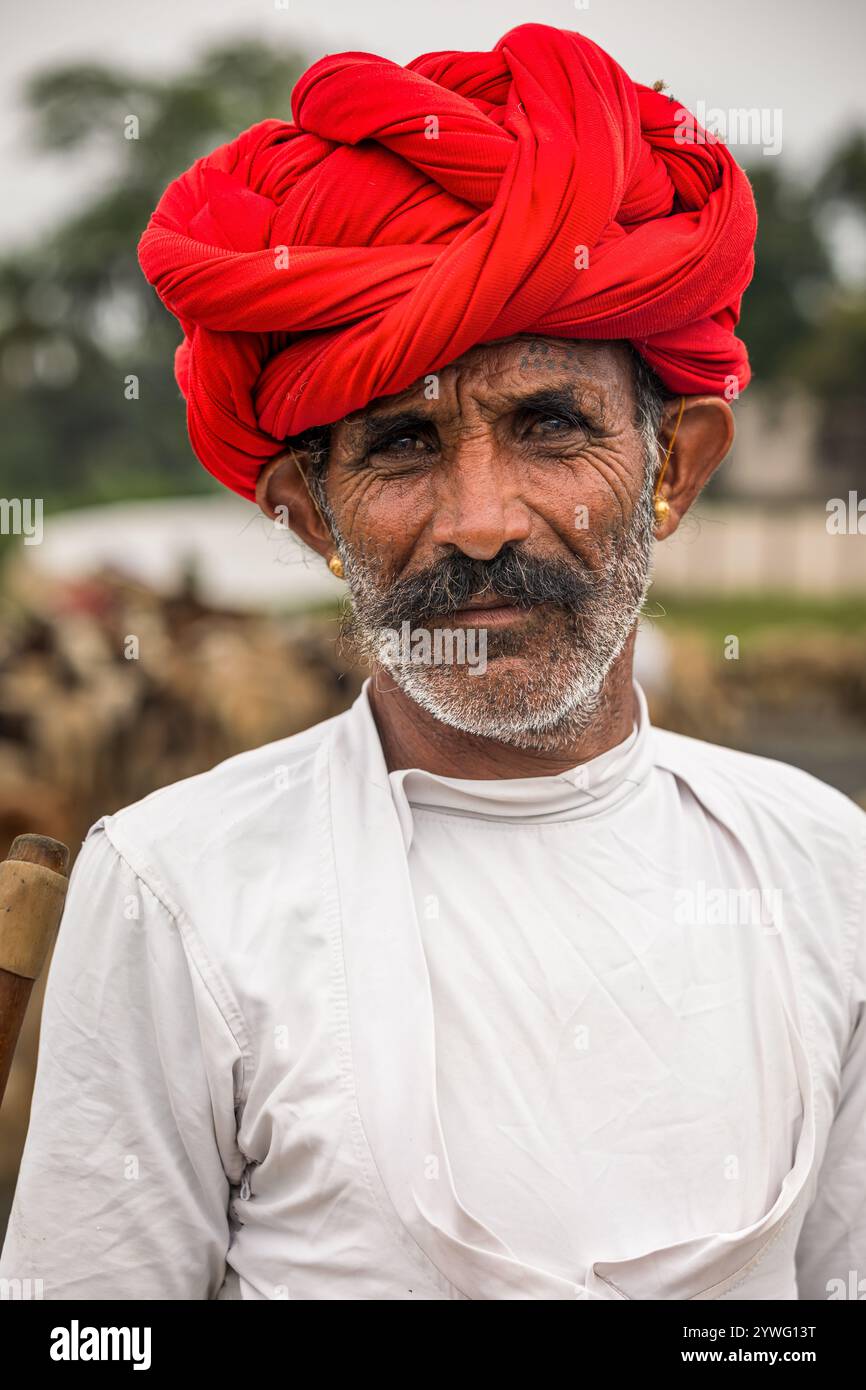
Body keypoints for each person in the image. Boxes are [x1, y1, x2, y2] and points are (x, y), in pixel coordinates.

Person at [2, 22, 863, 1302]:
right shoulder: (178, 887)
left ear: (673, 468)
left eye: (549, 425)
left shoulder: (825, 870)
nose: (481, 519)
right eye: (401, 445)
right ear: (309, 515)